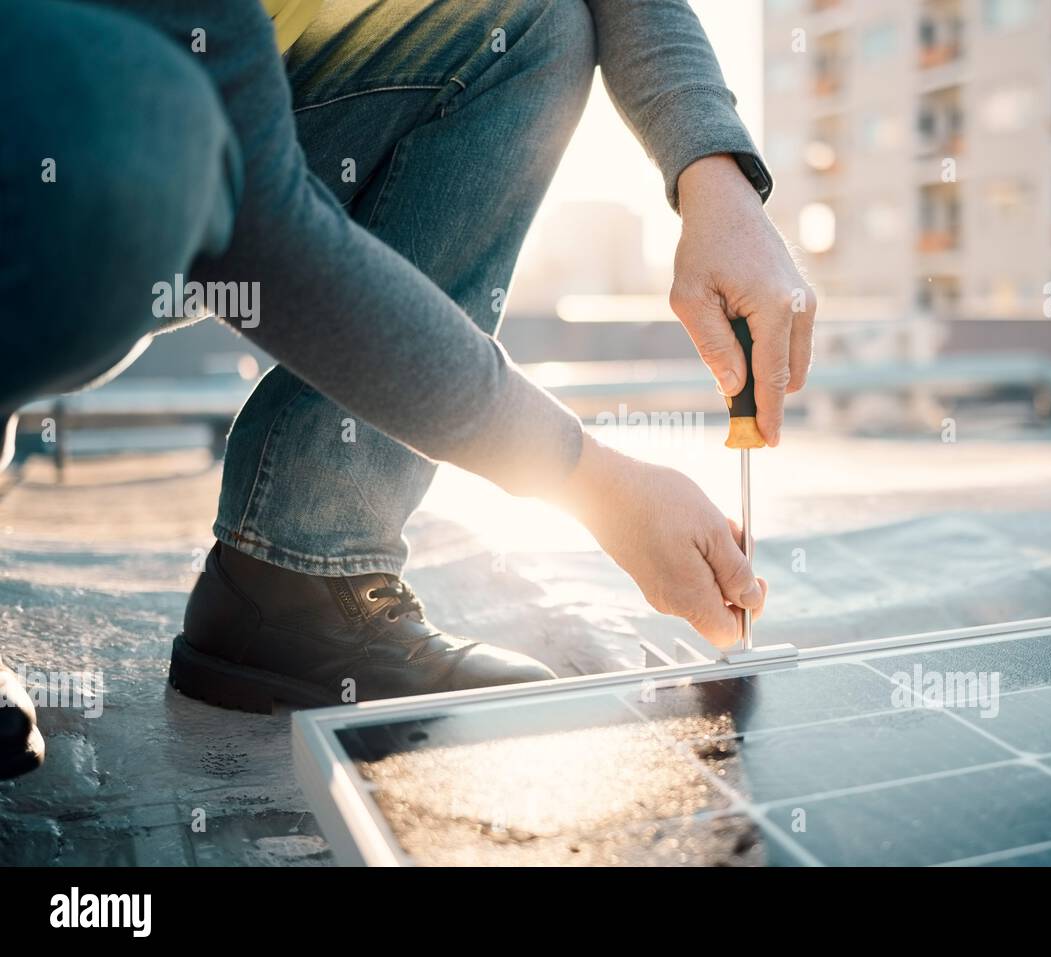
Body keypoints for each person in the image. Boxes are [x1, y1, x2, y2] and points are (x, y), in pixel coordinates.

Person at [0, 0, 815, 776]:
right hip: (70, 121)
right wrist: (591, 480)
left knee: (531, 22)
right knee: (122, 118)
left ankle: (300, 578)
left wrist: (717, 179)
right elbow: (269, 245)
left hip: (189, 99)